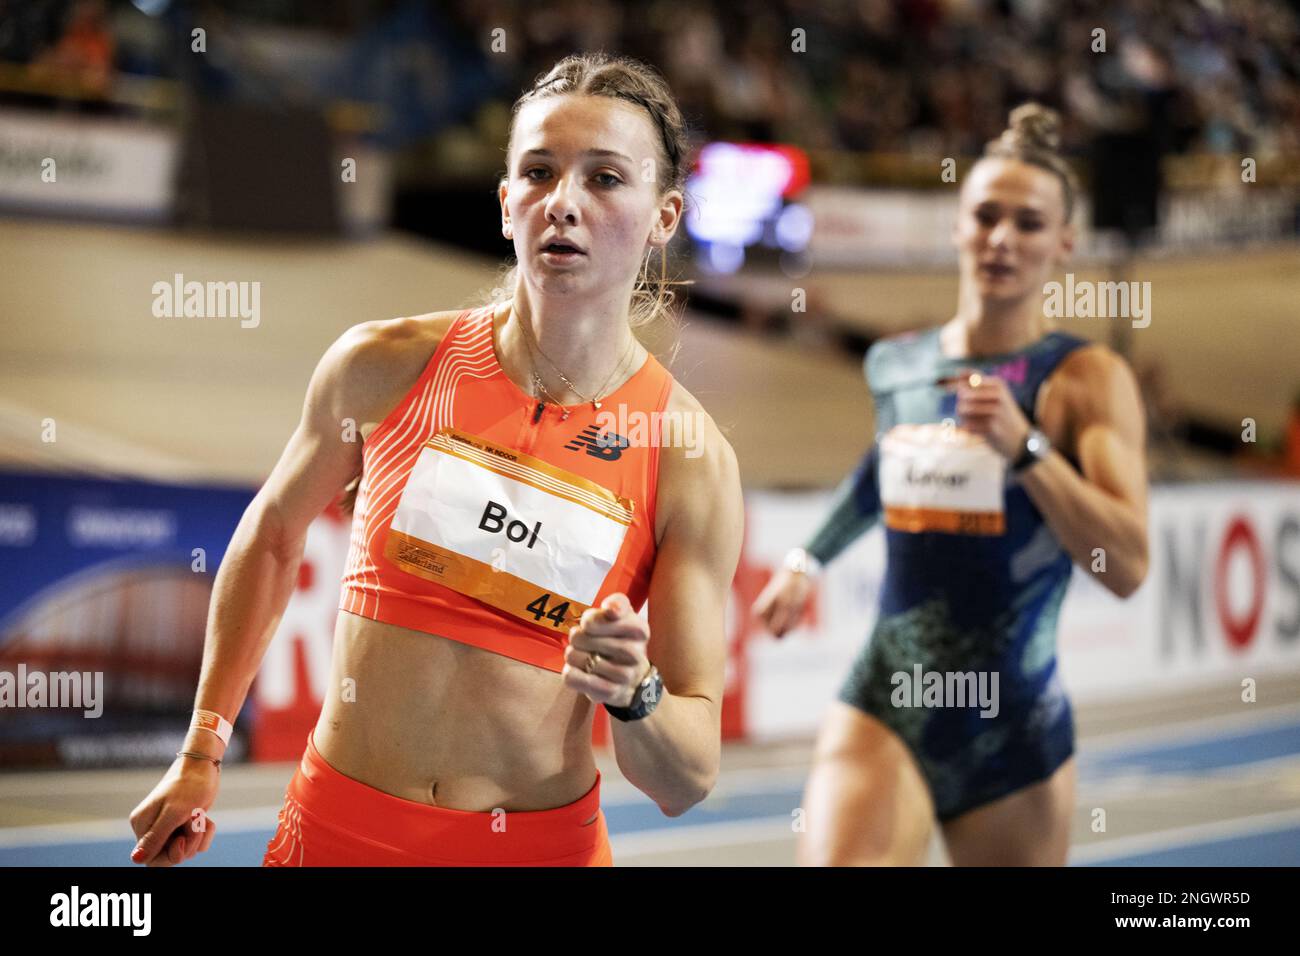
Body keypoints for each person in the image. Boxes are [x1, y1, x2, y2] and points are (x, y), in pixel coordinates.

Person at [128, 52, 744, 867]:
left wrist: (637, 694)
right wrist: (203, 748)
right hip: (341, 834)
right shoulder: (381, 368)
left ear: (664, 217)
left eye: (604, 179)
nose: (562, 203)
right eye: (538, 172)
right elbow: (273, 537)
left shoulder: (689, 458)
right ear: (504, 204)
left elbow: (685, 779)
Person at [754, 104, 1149, 866]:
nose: (1002, 238)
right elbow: (881, 474)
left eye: (1029, 224)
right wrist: (809, 560)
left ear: (1065, 242)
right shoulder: (895, 364)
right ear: (957, 226)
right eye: (986, 216)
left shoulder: (1083, 381)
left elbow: (1126, 565)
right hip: (888, 697)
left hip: (1014, 725)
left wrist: (1026, 449)